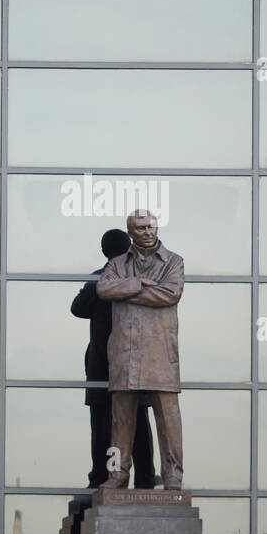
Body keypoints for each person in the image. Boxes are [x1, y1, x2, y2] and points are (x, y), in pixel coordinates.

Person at [97, 210, 184, 490]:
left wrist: (128, 293)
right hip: (125, 352)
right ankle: (117, 474)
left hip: (160, 352)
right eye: (141, 227)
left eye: (151, 226)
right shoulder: (117, 264)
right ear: (130, 232)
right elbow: (103, 289)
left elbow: (170, 294)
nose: (148, 231)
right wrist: (138, 283)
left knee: (168, 419)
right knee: (120, 420)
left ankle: (173, 476)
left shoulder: (173, 261)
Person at [70, 228, 155, 489]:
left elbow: (78, 308)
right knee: (138, 424)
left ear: (105, 251)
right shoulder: (139, 280)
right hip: (130, 362)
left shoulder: (101, 279)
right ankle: (145, 478)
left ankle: (101, 477)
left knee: (104, 425)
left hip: (104, 365)